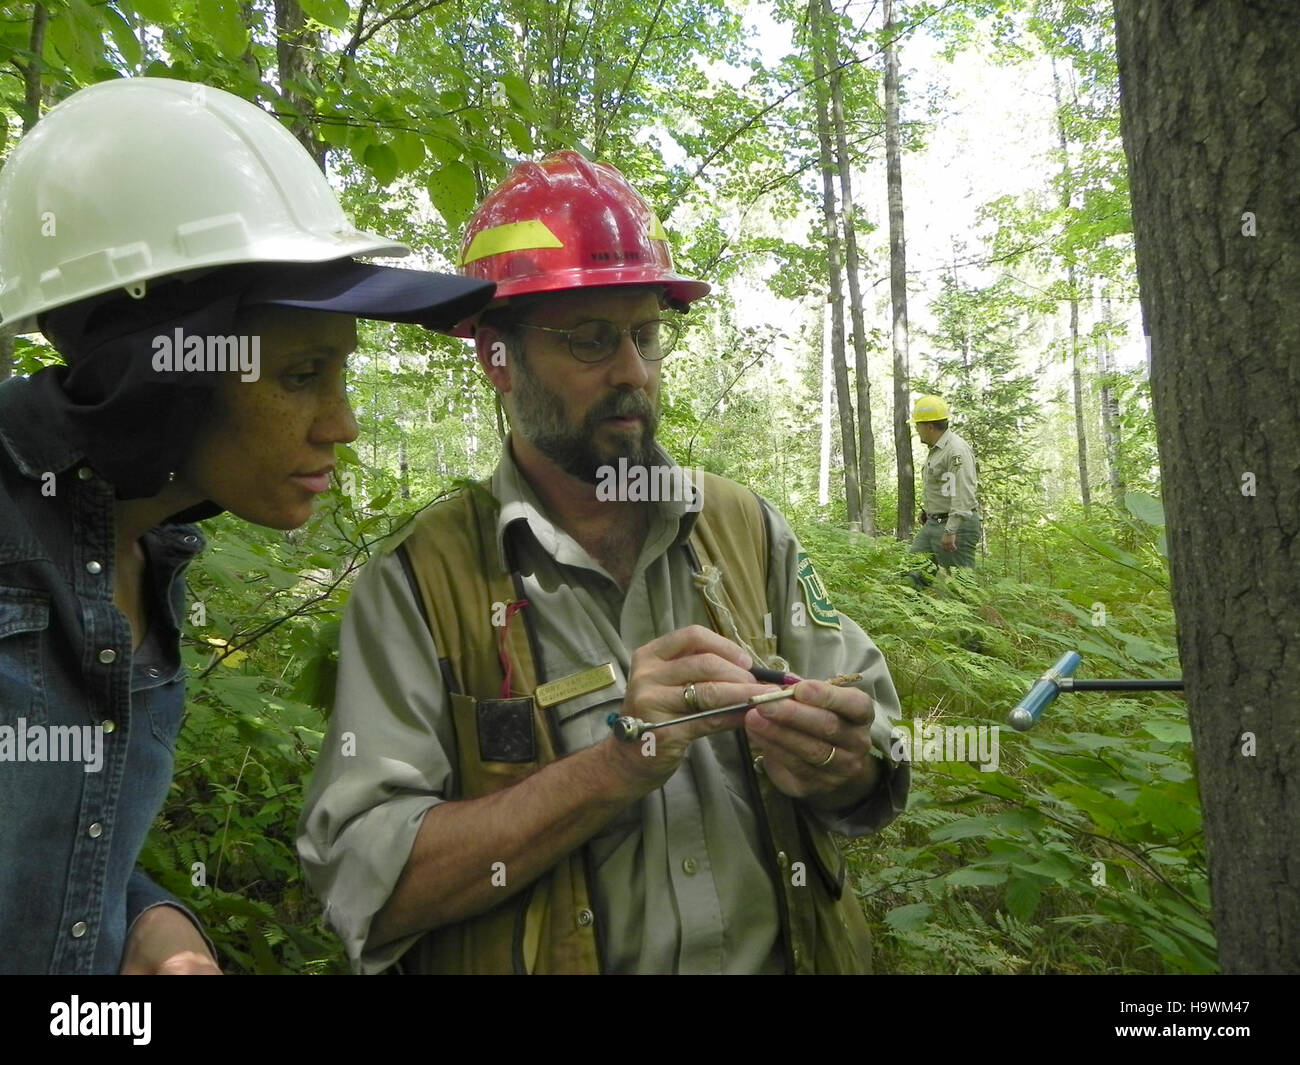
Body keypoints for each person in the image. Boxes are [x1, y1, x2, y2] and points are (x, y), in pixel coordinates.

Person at [298, 150, 909, 975]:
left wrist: (841, 761)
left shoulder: (746, 530)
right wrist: (613, 768)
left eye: (645, 335)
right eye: (590, 340)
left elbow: (874, 753)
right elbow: (366, 881)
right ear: (496, 358)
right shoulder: (420, 585)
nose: (632, 372)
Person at [0, 77, 494, 975]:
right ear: (160, 370)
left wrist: (154, 926)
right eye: (303, 375)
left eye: (339, 374)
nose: (343, 423)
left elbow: (55, 851)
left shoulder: (146, 553)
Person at [910, 395, 980, 570]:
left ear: (930, 427)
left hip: (956, 526)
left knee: (959, 582)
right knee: (913, 573)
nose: (917, 430)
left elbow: (963, 491)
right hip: (933, 523)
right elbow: (944, 486)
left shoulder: (956, 450)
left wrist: (951, 530)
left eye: (918, 425)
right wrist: (930, 511)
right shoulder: (937, 450)